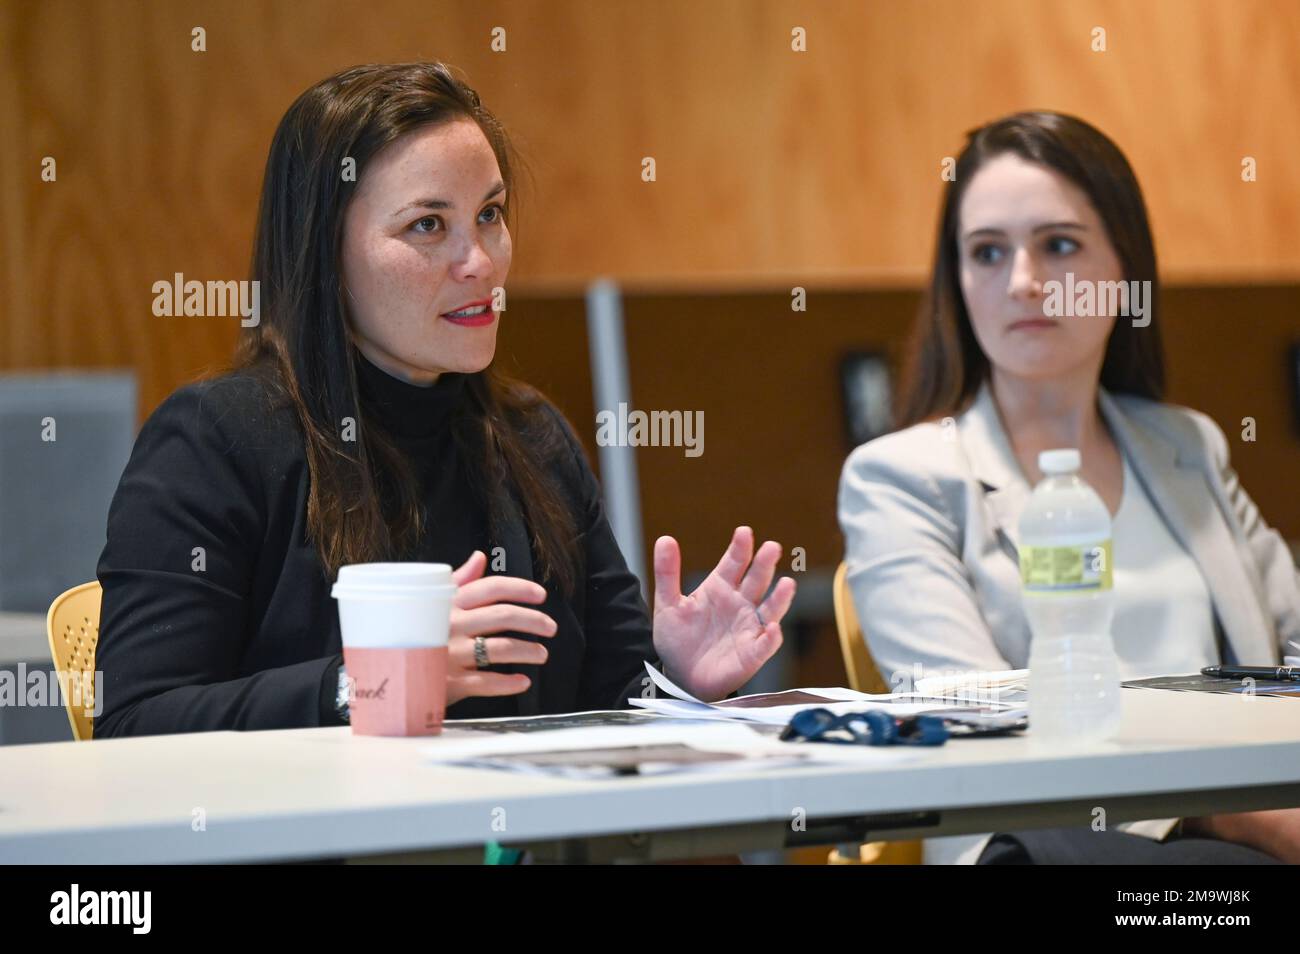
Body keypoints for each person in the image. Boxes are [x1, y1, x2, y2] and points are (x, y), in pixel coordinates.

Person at [94, 62, 796, 738]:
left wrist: (676, 680)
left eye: (490, 213)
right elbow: (136, 724)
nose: (481, 263)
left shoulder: (531, 437)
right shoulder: (217, 439)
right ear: (323, 255)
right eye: (428, 225)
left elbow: (607, 707)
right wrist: (371, 682)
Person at [838, 111, 1300, 864]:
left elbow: (1291, 653)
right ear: (957, 282)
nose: (1022, 282)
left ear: (1126, 268)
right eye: (986, 253)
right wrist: (1231, 815)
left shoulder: (1188, 445)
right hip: (1047, 839)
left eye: (1058, 245)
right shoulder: (902, 477)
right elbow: (979, 723)